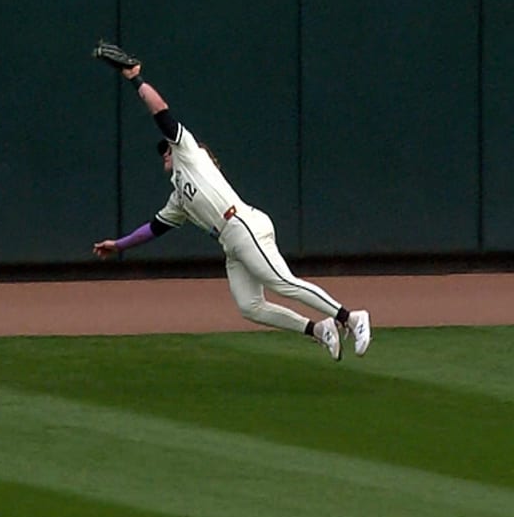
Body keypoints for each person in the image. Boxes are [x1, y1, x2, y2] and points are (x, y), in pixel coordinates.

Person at [91, 57, 371, 361]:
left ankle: (351, 317)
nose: (165, 153)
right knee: (250, 307)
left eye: (166, 149)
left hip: (242, 224)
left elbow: (161, 112)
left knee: (283, 282)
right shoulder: (179, 199)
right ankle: (319, 330)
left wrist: (135, 79)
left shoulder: (189, 153)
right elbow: (153, 228)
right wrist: (118, 245)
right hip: (232, 243)